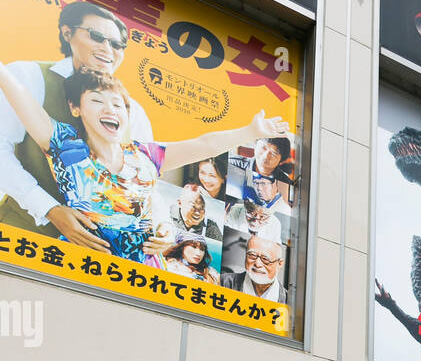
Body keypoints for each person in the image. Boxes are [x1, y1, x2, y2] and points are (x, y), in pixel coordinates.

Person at [0, 61, 291, 263]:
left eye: (118, 104)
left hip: (138, 273)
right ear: (77, 108)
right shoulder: (67, 147)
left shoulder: (145, 156)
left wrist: (250, 132)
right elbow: (21, 98)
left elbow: (204, 144)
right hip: (80, 263)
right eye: (97, 101)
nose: (110, 109)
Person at [0, 0, 153, 247]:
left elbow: (147, 181)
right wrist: (49, 208)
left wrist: (162, 225)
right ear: (67, 33)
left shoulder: (135, 112)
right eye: (96, 37)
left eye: (116, 44)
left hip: (101, 263)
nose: (107, 49)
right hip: (20, 242)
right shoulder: (30, 75)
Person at [221, 233, 286, 302]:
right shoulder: (223, 282)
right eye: (252, 255)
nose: (257, 264)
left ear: (280, 264)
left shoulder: (288, 300)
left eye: (265, 259)